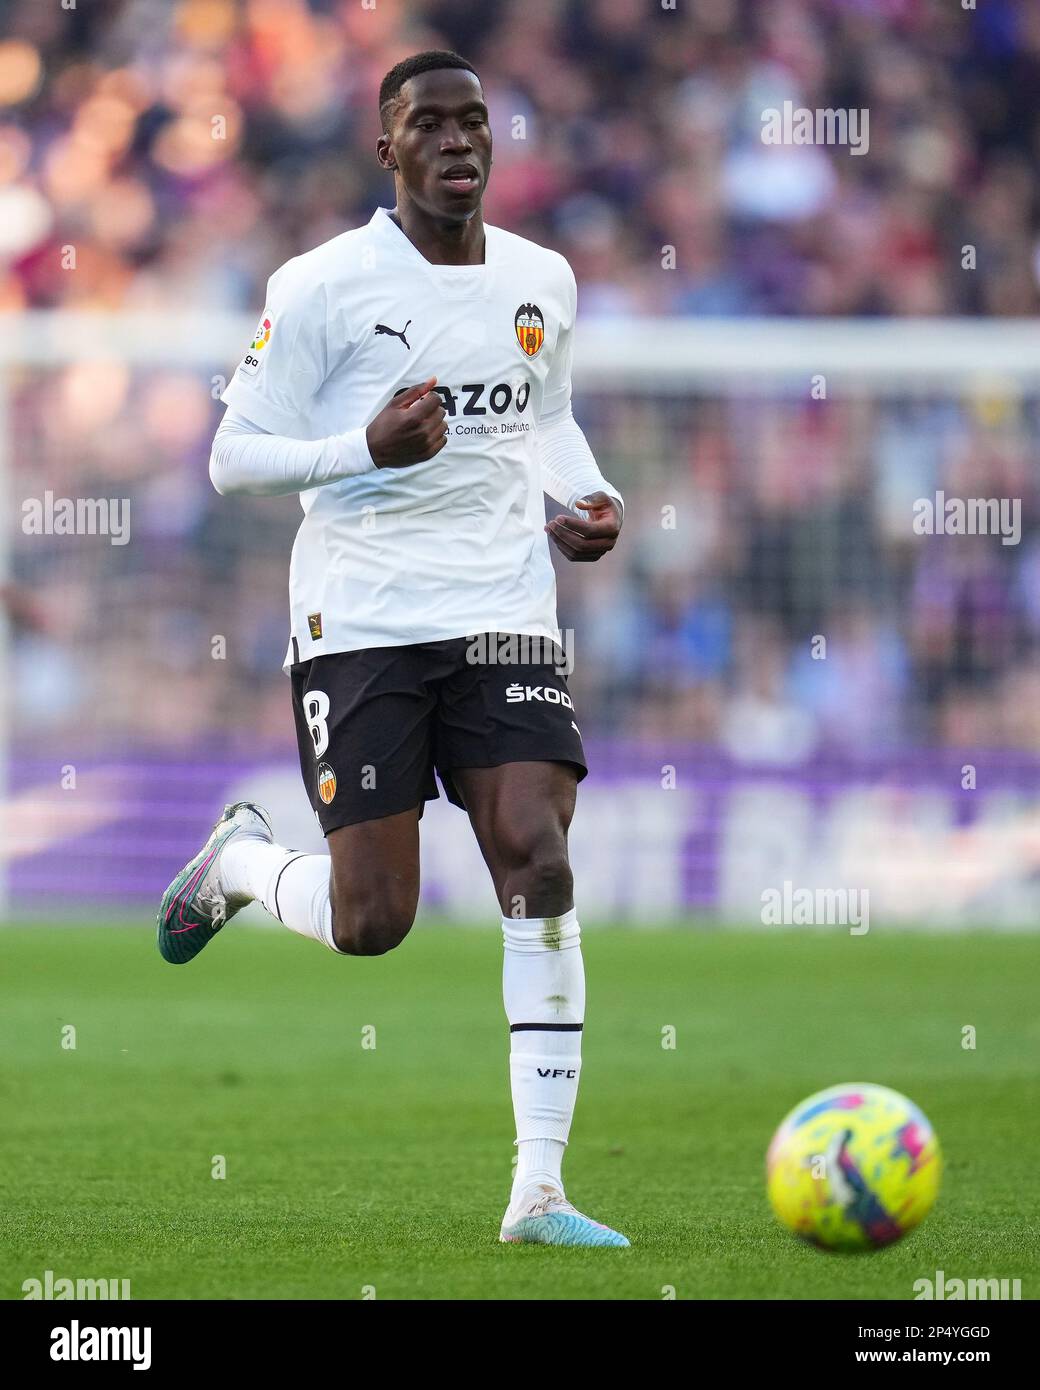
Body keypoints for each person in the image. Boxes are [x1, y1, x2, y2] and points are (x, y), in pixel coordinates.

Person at [157, 50, 627, 1248]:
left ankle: (539, 1190)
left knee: (538, 853)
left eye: (476, 123)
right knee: (373, 919)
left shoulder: (542, 278)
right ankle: (243, 870)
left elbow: (548, 417)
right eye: (432, 124)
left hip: (503, 612)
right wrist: (362, 447)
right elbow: (232, 457)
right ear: (389, 150)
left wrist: (585, 498)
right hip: (360, 621)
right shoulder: (321, 286)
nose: (460, 142)